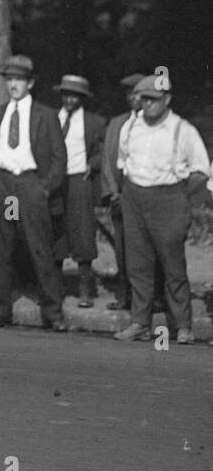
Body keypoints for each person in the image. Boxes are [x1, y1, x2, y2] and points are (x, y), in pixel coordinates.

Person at [113, 74, 211, 345]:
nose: (148, 105)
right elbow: (123, 164)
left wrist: (180, 200)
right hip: (135, 196)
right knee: (138, 264)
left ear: (167, 99)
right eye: (143, 99)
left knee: (173, 265)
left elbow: (201, 171)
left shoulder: (183, 130)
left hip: (169, 198)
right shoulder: (131, 127)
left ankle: (184, 326)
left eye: (154, 99)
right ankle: (139, 323)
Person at [0, 54, 67, 330]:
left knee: (40, 248)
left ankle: (53, 314)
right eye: (9, 80)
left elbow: (58, 158)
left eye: (19, 80)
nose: (13, 85)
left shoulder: (46, 115)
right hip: (2, 184)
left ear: (30, 83)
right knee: (1, 248)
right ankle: (0, 311)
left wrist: (44, 189)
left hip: (29, 185)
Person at [54, 75, 106, 307]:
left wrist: (91, 164)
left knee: (83, 233)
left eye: (75, 95)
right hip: (55, 182)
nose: (70, 99)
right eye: (66, 94)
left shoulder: (93, 122)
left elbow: (102, 150)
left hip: (79, 181)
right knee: (55, 232)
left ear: (82, 98)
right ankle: (55, 288)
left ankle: (85, 290)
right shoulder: (50, 118)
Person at [100, 74, 145, 310]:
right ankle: (125, 295)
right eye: (129, 94)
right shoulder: (118, 123)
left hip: (142, 194)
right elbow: (108, 159)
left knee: (145, 248)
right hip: (120, 194)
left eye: (137, 93)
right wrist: (113, 192)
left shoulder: (151, 123)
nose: (133, 98)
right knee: (122, 247)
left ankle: (148, 297)